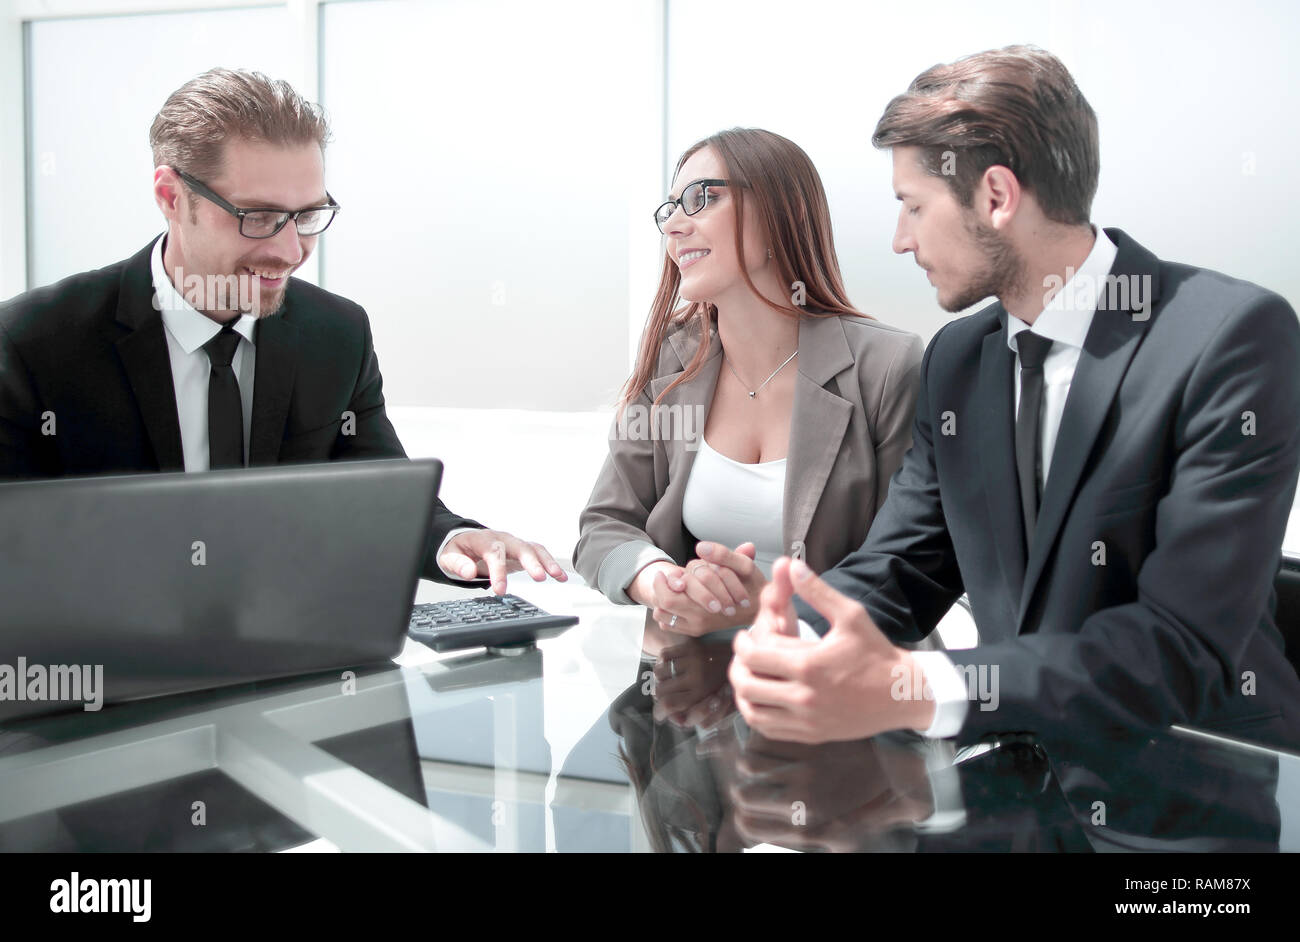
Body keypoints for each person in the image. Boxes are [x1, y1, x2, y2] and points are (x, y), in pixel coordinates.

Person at [718, 46, 1300, 750]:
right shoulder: (958, 359)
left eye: (912, 206)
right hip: (1011, 784)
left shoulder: (1232, 337)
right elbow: (904, 566)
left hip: (1188, 791)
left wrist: (918, 687)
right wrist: (791, 639)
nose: (901, 240)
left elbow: (1182, 640)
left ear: (995, 196)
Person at [0, 68, 563, 594]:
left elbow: (371, 484)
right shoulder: (34, 342)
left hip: (290, 661)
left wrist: (445, 539)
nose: (290, 252)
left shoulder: (336, 333)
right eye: (258, 217)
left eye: (308, 216)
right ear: (171, 197)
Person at [574, 128, 923, 636]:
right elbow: (604, 524)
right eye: (670, 208)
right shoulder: (670, 361)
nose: (673, 225)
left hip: (837, 682)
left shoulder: (887, 366)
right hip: (695, 683)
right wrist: (658, 579)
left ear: (787, 213)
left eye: (702, 198)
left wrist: (773, 609)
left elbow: (908, 569)